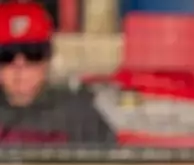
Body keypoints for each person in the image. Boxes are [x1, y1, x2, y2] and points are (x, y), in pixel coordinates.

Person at [0, 2, 114, 143]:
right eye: (6, 55)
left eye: (33, 53)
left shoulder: (78, 113)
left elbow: (113, 162)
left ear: (48, 59)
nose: (20, 67)